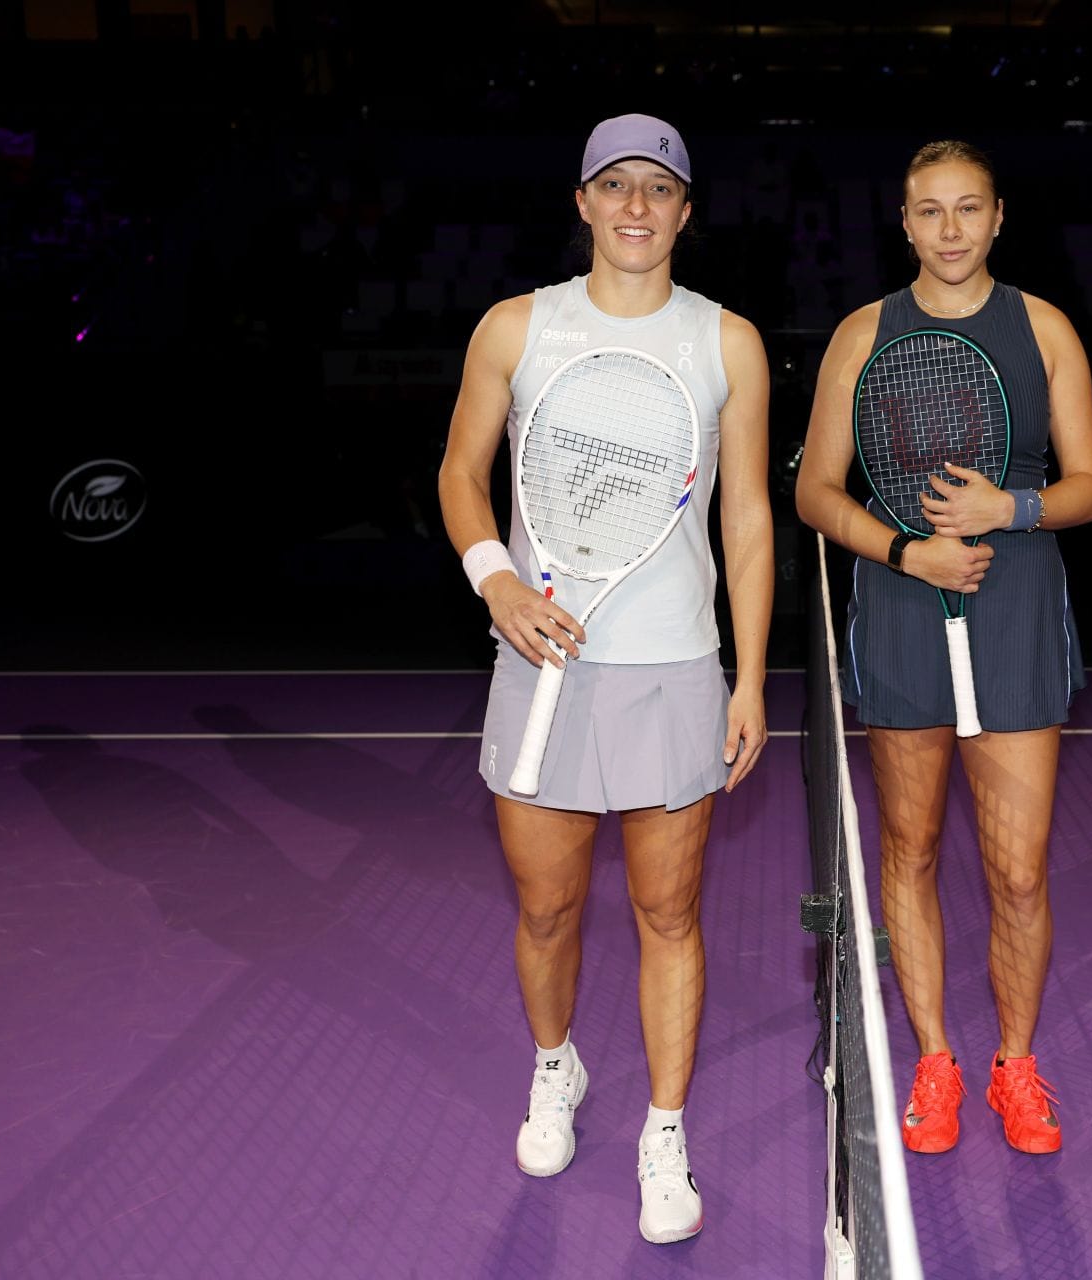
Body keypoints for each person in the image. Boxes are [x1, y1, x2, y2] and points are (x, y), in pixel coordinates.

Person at [437, 114, 773, 1242]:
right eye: (616, 185)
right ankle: (555, 1065)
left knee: (669, 911)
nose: (638, 206)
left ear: (685, 211)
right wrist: (496, 582)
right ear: (582, 200)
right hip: (539, 661)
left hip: (674, 665)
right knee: (547, 906)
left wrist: (750, 675)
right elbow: (458, 471)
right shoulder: (514, 328)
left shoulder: (727, 342)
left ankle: (664, 1131)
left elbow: (749, 520)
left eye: (660, 189)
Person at [794, 140, 1092, 1156]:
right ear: (904, 221)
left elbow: (1091, 487)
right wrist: (905, 549)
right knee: (911, 847)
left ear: (1000, 215)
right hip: (898, 600)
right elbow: (813, 490)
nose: (950, 229)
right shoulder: (861, 334)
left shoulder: (1044, 328)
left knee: (1017, 870)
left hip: (1015, 603)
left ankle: (1016, 1064)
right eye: (929, 211)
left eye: (968, 208)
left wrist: (1008, 505)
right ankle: (936, 1057)